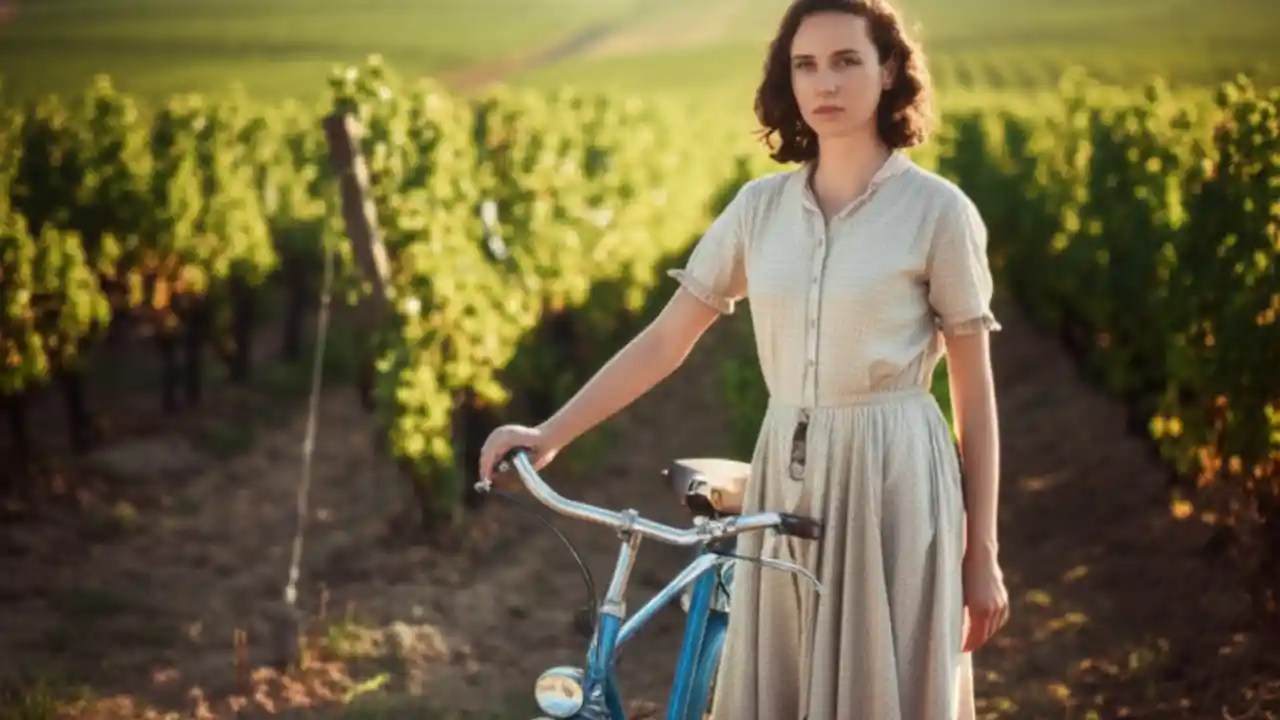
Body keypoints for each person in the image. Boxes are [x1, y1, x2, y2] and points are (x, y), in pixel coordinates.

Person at [478, 0, 1009, 717]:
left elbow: (975, 395)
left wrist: (982, 554)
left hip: (893, 479)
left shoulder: (937, 211)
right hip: (784, 475)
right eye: (806, 65)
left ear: (888, 71)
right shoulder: (759, 209)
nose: (825, 82)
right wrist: (550, 433)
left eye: (847, 61)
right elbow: (666, 340)